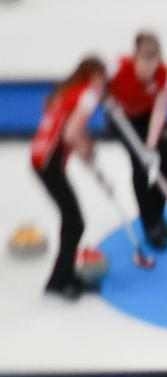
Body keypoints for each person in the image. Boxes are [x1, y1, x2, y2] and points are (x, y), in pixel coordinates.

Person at [30, 57, 107, 300]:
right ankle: (60, 281)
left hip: (42, 159)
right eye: (101, 80)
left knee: (72, 220)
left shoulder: (69, 91)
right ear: (94, 76)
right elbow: (72, 132)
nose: (102, 86)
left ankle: (63, 277)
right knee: (75, 222)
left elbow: (71, 129)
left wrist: (85, 150)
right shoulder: (86, 95)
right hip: (49, 163)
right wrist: (87, 152)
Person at [106, 32, 167, 251]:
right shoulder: (116, 69)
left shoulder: (165, 74)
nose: (149, 68)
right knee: (140, 165)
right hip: (122, 118)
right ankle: (150, 224)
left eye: (153, 61)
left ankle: (157, 214)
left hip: (148, 115)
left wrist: (150, 145)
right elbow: (98, 90)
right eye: (144, 61)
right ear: (135, 57)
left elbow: (159, 111)